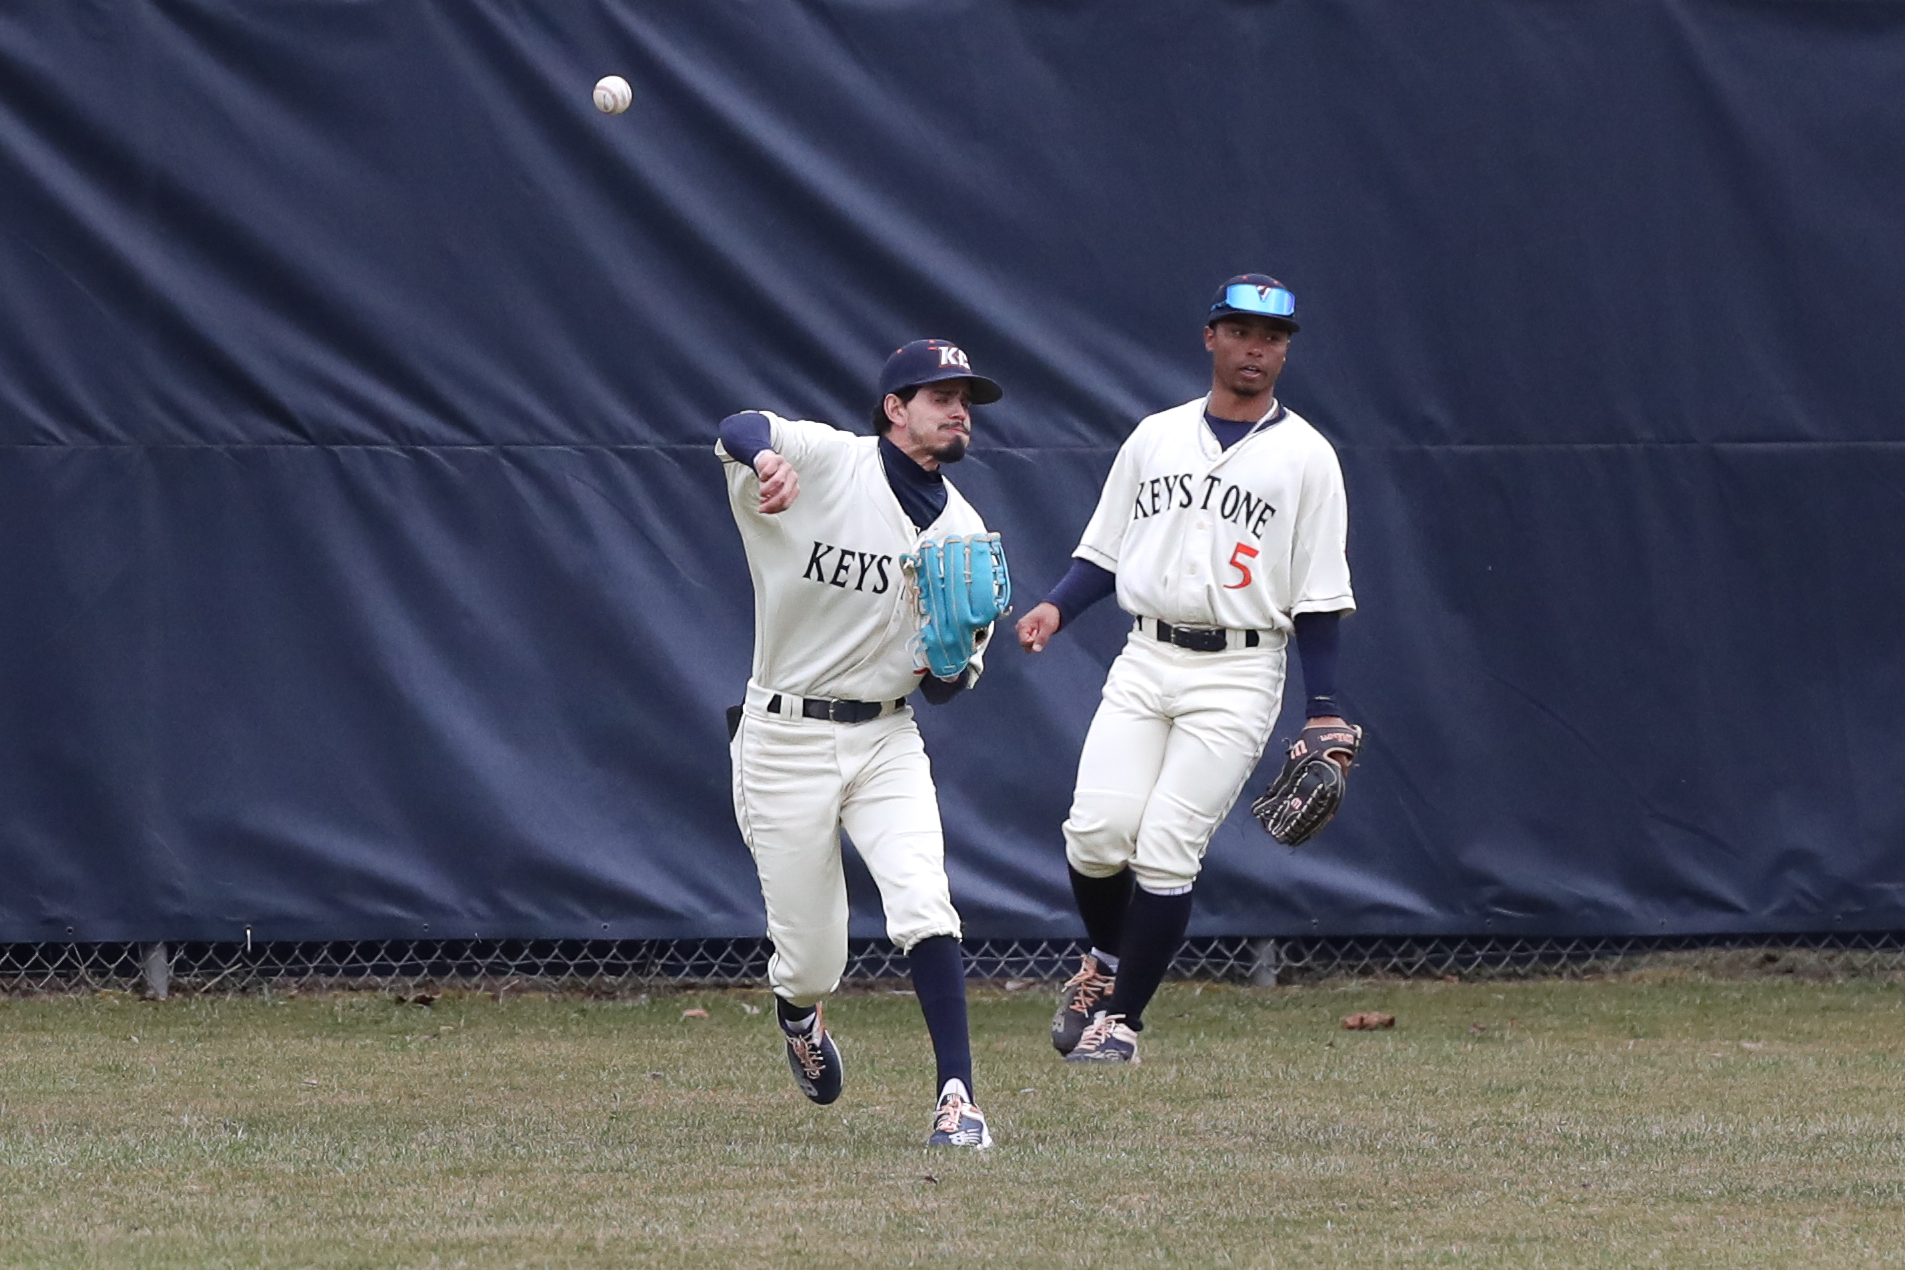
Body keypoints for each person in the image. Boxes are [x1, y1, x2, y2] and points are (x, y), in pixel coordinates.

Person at [1015, 275, 1356, 1064]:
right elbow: (1104, 551)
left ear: (1284, 350)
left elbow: (1318, 594)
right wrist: (1057, 608)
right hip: (1146, 655)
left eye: (1271, 337)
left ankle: (1120, 1025)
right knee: (1095, 833)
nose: (1255, 348)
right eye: (1240, 331)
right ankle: (1103, 963)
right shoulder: (1156, 437)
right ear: (1210, 337)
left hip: (1239, 669)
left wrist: (1323, 707)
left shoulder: (1307, 457)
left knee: (1167, 847)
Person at [715, 339, 1004, 1146]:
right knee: (813, 960)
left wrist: (948, 659)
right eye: (939, 395)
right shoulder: (831, 461)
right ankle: (799, 1016)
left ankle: (958, 1099)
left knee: (924, 901)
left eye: (964, 399)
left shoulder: (964, 530)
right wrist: (765, 461)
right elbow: (738, 426)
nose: (958, 411)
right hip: (783, 734)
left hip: (885, 735)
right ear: (894, 408)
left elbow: (947, 686)